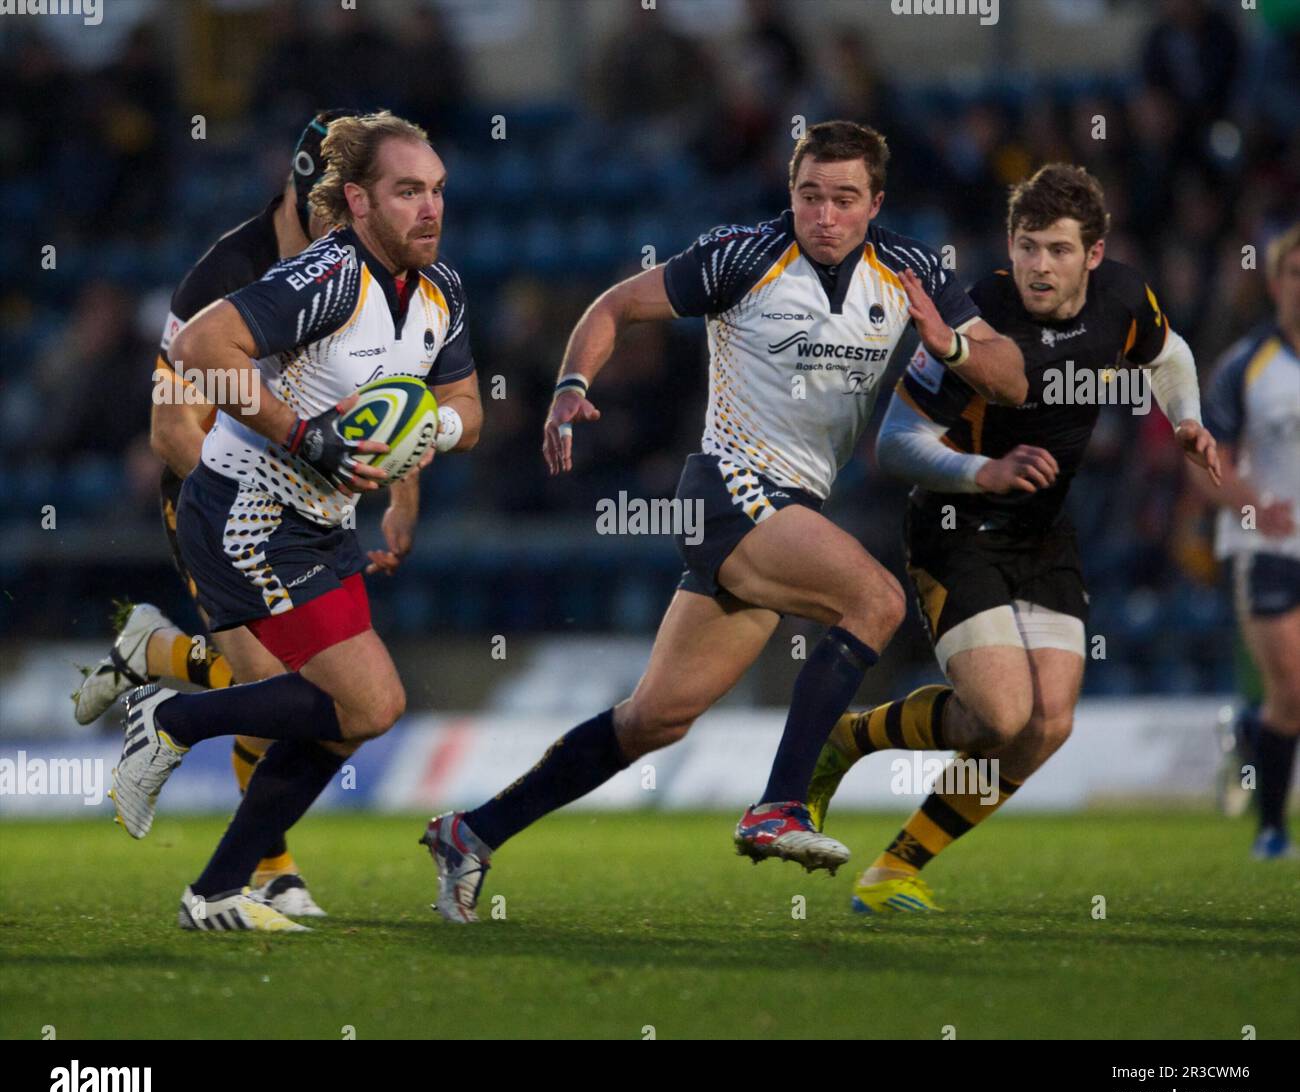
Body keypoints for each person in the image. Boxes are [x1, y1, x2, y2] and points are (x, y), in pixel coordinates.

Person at [421, 119, 1026, 923]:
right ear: (791, 192)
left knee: (655, 719)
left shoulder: (913, 270)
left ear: (875, 203)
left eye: (845, 199)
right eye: (810, 195)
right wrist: (571, 384)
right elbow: (616, 306)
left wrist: (950, 345)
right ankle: (779, 805)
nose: (824, 215)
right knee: (875, 601)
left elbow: (1012, 378)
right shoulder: (742, 255)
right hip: (728, 488)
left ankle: (472, 831)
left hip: (789, 511)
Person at [806, 164, 1221, 913]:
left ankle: (896, 867)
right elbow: (895, 444)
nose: (1039, 265)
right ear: (1010, 244)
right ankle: (848, 735)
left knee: (1046, 725)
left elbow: (1170, 354)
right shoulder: (979, 316)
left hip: (1042, 533)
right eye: (1028, 246)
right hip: (953, 523)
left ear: (1094, 255)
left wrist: (1187, 417)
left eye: (1059, 250)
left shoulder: (1125, 296)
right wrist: (981, 471)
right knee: (1000, 716)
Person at [111, 111, 482, 932]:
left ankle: (216, 889)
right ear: (356, 200)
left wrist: (427, 437)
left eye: (438, 191)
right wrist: (302, 434)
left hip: (323, 523)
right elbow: (205, 349)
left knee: (347, 722)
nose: (431, 209)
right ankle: (170, 719)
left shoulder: (440, 290)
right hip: (247, 512)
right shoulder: (324, 275)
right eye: (408, 192)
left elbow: (465, 408)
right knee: (366, 705)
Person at [76, 109, 354, 917]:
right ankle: (269, 870)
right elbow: (170, 428)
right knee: (277, 684)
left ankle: (156, 651)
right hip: (211, 490)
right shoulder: (221, 279)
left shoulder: (350, 277)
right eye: (331, 205)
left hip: (301, 499)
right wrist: (248, 506)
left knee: (300, 689)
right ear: (298, 188)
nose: (343, 225)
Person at [1198, 222, 1300, 860]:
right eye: (1296, 273)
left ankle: (1244, 729)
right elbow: (1207, 460)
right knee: (1292, 691)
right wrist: (1252, 508)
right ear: (1275, 281)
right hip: (1264, 549)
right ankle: (1270, 831)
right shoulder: (1247, 365)